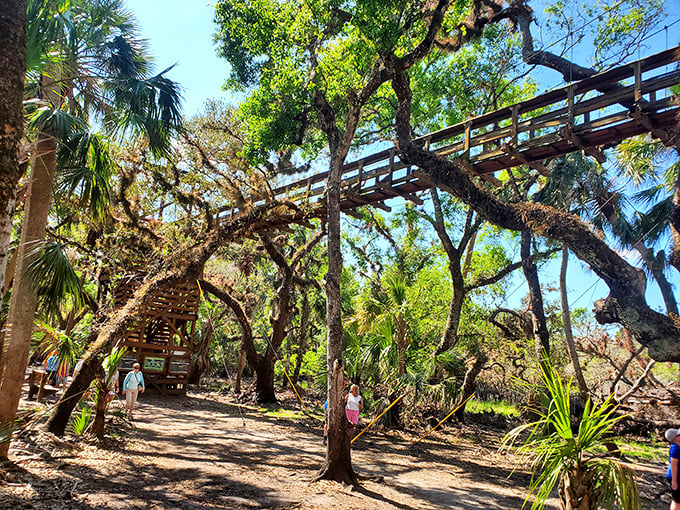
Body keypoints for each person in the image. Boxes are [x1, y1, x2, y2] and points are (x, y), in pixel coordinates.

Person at [666, 428, 680, 510]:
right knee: (677, 500)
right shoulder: (675, 448)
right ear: (675, 438)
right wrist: (674, 482)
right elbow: (674, 464)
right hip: (675, 477)